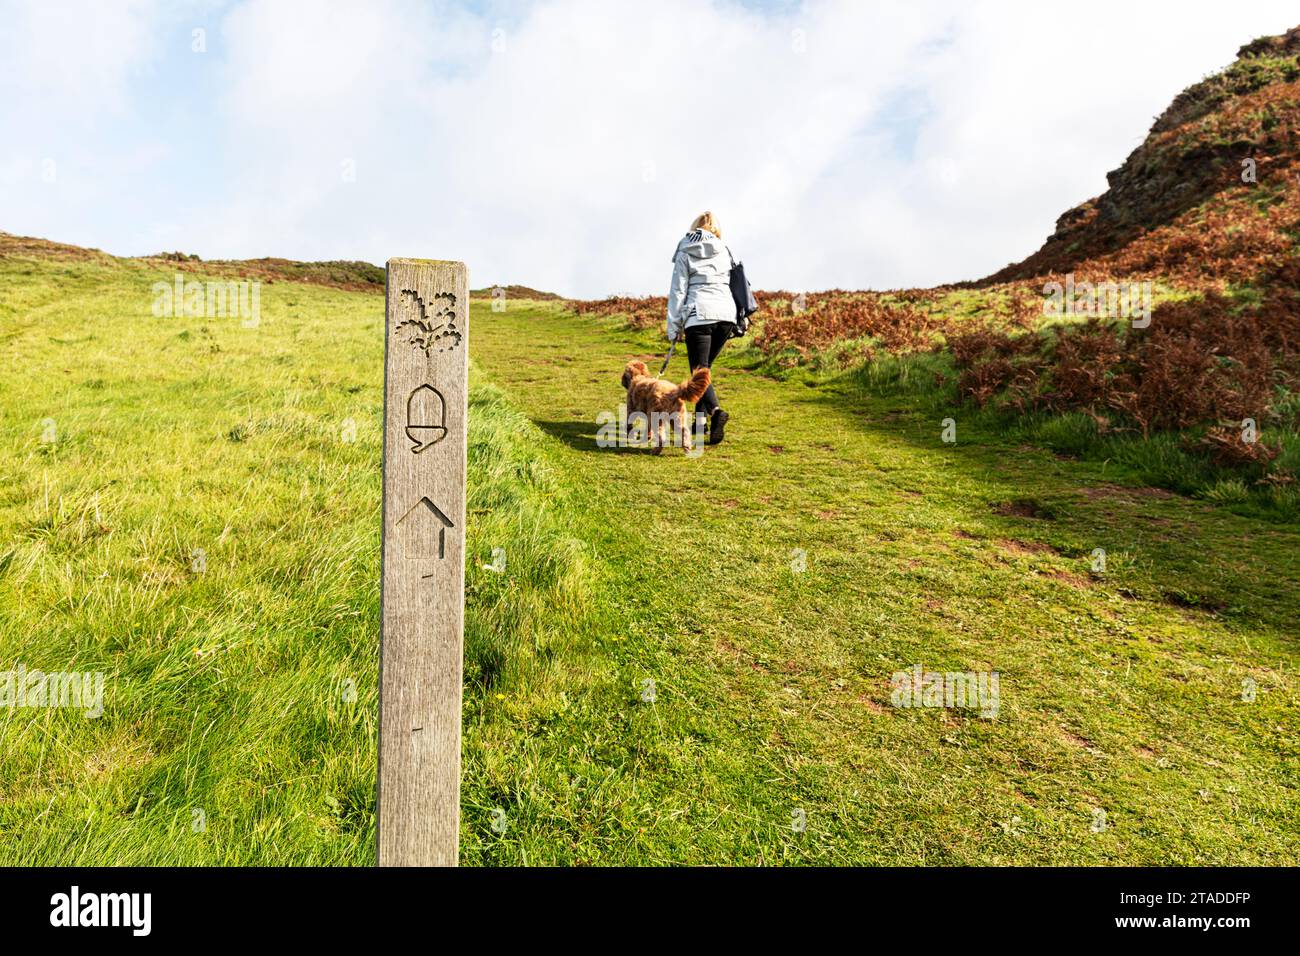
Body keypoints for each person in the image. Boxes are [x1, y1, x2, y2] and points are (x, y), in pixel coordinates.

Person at [666, 211, 737, 445]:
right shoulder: (725, 250)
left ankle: (716, 412)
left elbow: (678, 290)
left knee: (699, 372)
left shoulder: (686, 249)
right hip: (727, 315)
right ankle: (700, 422)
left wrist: (674, 326)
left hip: (700, 316)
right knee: (704, 370)